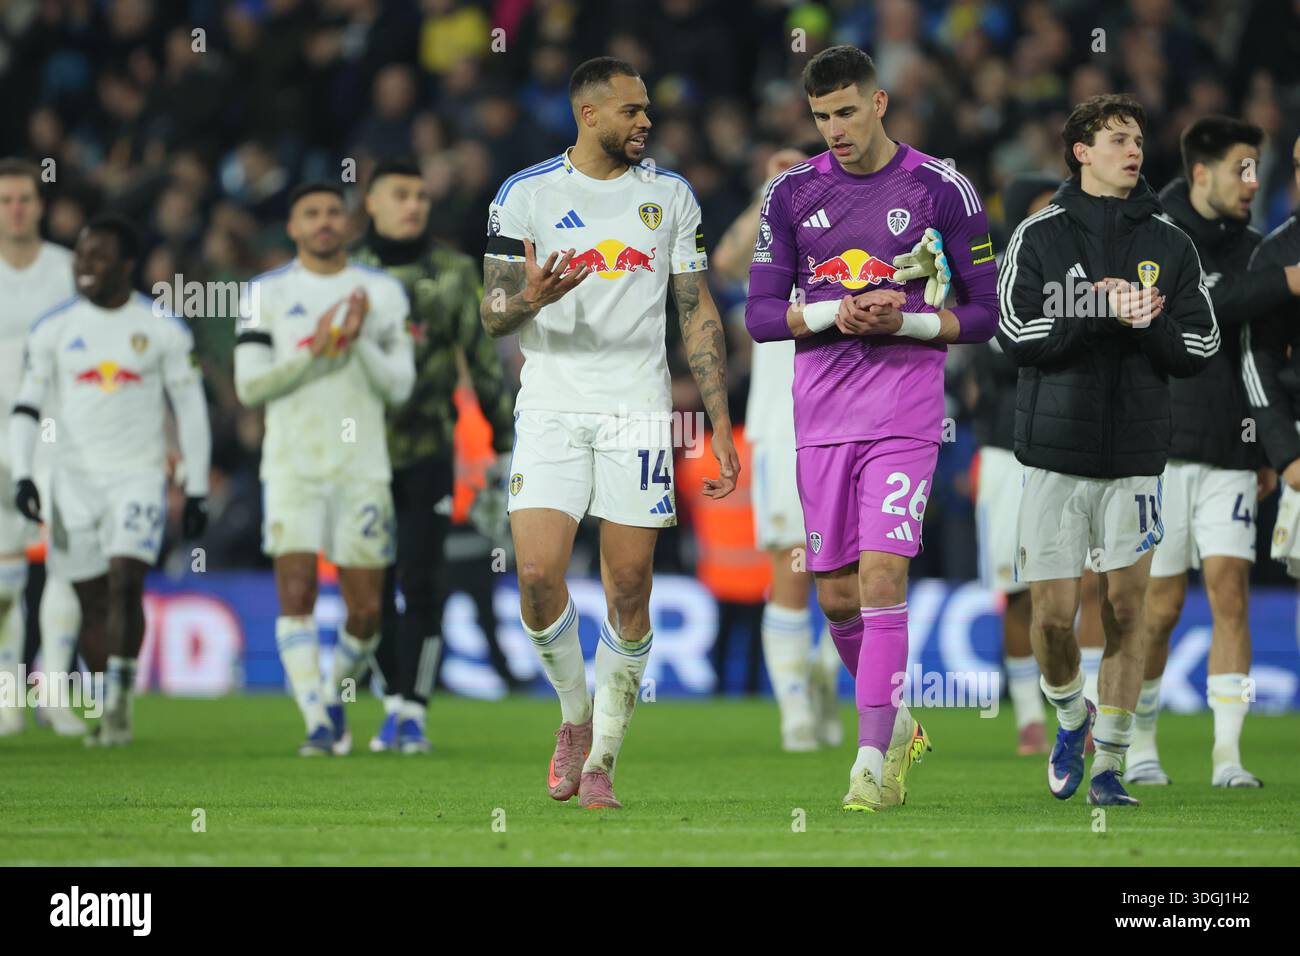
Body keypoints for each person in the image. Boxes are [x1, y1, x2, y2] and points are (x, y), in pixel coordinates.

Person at [480, 56, 739, 810]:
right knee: (535, 577)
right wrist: (527, 298)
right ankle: (573, 715)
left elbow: (694, 309)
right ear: (587, 114)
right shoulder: (524, 195)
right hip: (553, 403)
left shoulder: (671, 197)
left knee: (628, 584)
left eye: (647, 109)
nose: (646, 122)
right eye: (631, 110)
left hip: (637, 407)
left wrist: (720, 424)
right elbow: (492, 311)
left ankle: (603, 761)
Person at [745, 46, 999, 811]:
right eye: (822, 117)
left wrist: (910, 318)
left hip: (904, 413)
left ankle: (870, 764)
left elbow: (985, 314)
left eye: (847, 112)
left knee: (884, 576)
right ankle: (896, 719)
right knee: (834, 599)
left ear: (880, 102)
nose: (835, 130)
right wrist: (832, 311)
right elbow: (760, 318)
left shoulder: (942, 188)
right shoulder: (790, 194)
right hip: (820, 417)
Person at [997, 94, 1219, 807]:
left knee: (1127, 612)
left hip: (1135, 458)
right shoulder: (1040, 236)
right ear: (1080, 152)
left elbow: (1202, 344)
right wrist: (1095, 305)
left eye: (1138, 139)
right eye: (1117, 138)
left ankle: (1112, 766)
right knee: (1055, 619)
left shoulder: (1171, 241)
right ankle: (1070, 720)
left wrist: (1148, 320)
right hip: (1056, 454)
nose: (1134, 150)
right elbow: (1011, 332)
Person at [1135, 117, 1300, 787]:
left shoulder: (1258, 248)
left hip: (1232, 450)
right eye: (1242, 168)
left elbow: (1260, 355)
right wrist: (1288, 281)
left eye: (1258, 169)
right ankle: (1138, 744)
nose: (1253, 184)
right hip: (1163, 448)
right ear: (1201, 173)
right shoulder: (1156, 236)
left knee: (1230, 591)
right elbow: (1201, 306)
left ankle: (1227, 757)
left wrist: (1268, 447)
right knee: (1160, 604)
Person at [10, 215, 212, 746]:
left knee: (126, 580)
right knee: (92, 598)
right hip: (71, 482)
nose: (84, 266)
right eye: (80, 256)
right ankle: (107, 695)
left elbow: (191, 410)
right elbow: (27, 406)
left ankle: (120, 705)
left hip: (138, 476)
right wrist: (25, 473)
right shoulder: (53, 328)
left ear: (126, 265)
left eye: (98, 257)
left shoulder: (163, 328)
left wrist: (194, 488)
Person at [234, 183, 414, 756]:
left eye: (333, 212)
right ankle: (315, 717)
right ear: (292, 227)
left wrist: (354, 342)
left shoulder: (382, 293)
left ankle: (335, 697)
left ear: (348, 222)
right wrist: (319, 348)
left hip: (362, 466)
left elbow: (401, 386)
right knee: (297, 589)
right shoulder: (265, 294)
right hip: (291, 465)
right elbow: (248, 385)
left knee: (365, 608)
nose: (324, 222)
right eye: (310, 213)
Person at [352, 158, 515, 754]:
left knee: (421, 581)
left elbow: (483, 360)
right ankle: (391, 694)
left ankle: (412, 710)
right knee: (367, 588)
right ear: (371, 202)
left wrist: (501, 443)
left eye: (421, 195)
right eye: (400, 195)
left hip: (426, 453)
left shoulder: (450, 272)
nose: (414, 205)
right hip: (356, 457)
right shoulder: (347, 274)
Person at [714, 146, 843, 751]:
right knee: (791, 570)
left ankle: (824, 670)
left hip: (854, 419)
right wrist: (768, 194)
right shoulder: (770, 253)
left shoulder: (856, 236)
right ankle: (794, 710)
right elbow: (725, 260)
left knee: (859, 574)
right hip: (782, 426)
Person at [973, 173, 1057, 755]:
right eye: (1042, 209)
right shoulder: (995, 277)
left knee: (1086, 580)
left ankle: (1086, 705)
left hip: (1071, 450)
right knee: (1018, 588)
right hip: (1007, 451)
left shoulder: (1086, 279)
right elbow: (995, 367)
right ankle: (1029, 713)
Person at [0, 158, 83, 737]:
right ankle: (6, 697)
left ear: (41, 204)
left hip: (59, 440)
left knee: (64, 566)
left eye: (25, 198)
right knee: (4, 577)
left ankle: (53, 693)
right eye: (5, 200)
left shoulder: (69, 270)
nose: (16, 209)